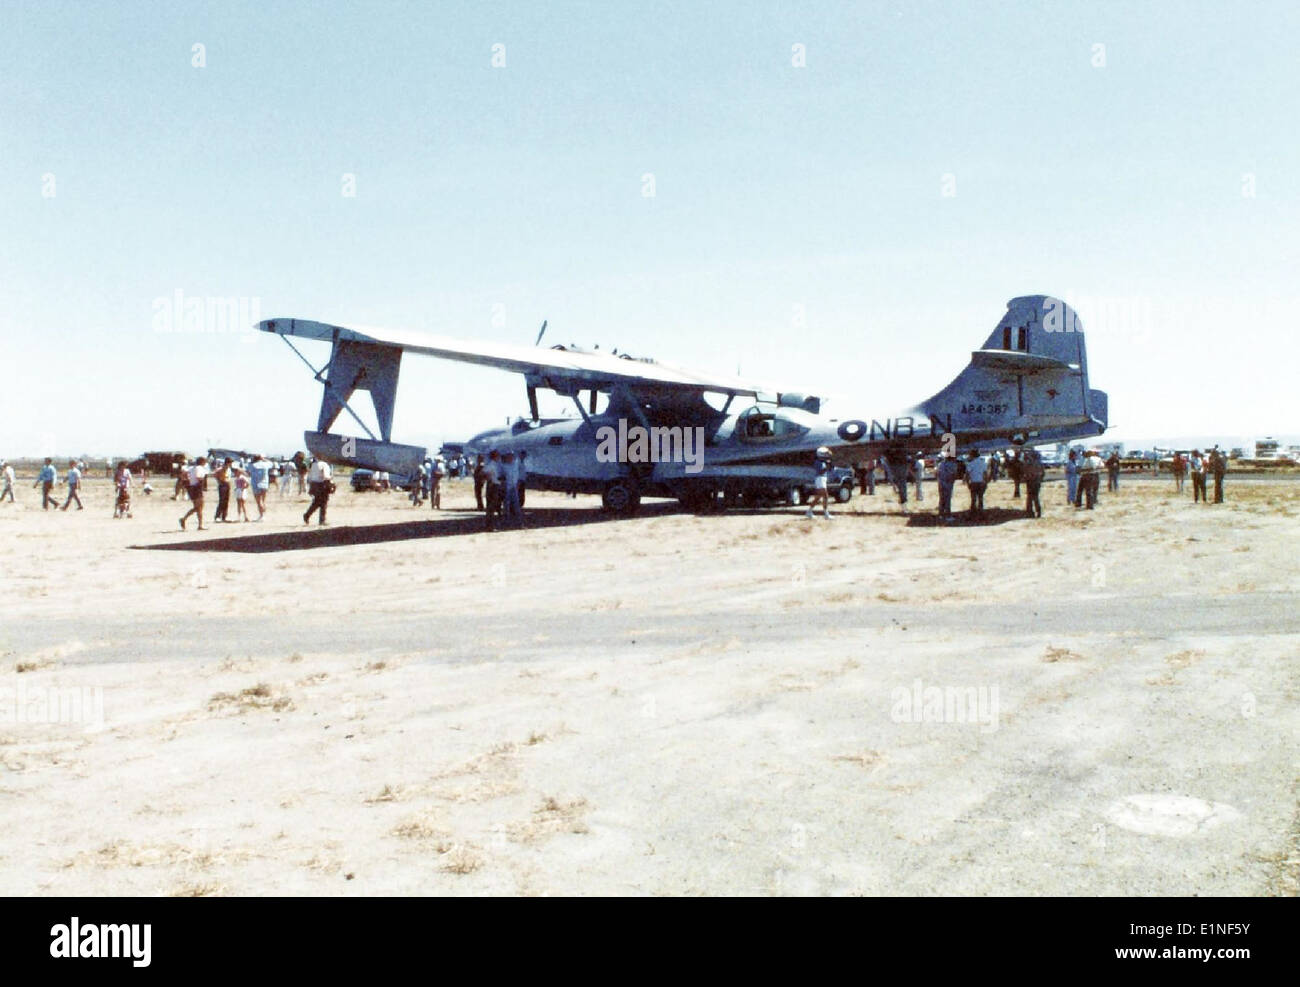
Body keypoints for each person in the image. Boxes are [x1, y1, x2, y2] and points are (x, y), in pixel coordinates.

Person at [179, 456, 209, 530]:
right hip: (197, 488)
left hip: (192, 488)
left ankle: (199, 524)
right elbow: (199, 477)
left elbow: (184, 474)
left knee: (198, 508)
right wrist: (203, 485)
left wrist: (187, 482)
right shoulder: (200, 468)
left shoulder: (191, 468)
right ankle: (185, 519)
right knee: (199, 507)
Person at [805, 446, 834, 520]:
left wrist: (829, 465)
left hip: (822, 479)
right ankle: (826, 514)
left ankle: (809, 511)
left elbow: (829, 469)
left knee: (818, 497)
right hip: (820, 479)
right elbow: (821, 471)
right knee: (825, 496)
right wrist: (827, 466)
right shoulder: (818, 462)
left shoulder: (823, 462)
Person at [935, 451, 962, 521]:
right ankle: (948, 515)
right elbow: (955, 474)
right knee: (947, 500)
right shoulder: (953, 465)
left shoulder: (940, 464)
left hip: (941, 483)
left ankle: (941, 514)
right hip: (948, 483)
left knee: (941, 499)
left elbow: (937, 473)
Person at [303, 458, 332, 524]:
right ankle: (322, 520)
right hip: (322, 484)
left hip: (314, 484)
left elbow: (310, 477)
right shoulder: (324, 464)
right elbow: (326, 476)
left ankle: (307, 515)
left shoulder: (313, 465)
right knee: (323, 503)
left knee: (316, 502)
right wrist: (331, 479)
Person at [500, 451, 523, 527]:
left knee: (516, 505)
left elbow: (518, 474)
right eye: (509, 456)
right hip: (507, 487)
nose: (510, 458)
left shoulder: (516, 465)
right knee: (506, 505)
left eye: (512, 456)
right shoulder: (504, 466)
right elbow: (502, 477)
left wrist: (518, 482)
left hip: (514, 487)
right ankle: (506, 521)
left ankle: (519, 522)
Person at [884, 446, 909, 511]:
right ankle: (904, 506)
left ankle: (903, 505)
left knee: (901, 490)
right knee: (902, 490)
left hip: (898, 475)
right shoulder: (902, 460)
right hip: (900, 475)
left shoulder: (893, 461)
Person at [483, 450, 504, 530]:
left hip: (496, 485)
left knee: (495, 506)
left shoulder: (496, 464)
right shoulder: (491, 465)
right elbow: (484, 472)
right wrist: (490, 480)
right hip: (493, 486)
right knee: (491, 507)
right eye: (498, 455)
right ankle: (489, 525)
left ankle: (491, 524)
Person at [1022, 446, 1045, 518]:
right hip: (1037, 481)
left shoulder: (1029, 464)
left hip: (1031, 481)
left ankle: (1030, 512)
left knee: (1030, 497)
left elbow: (1025, 472)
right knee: (1035, 497)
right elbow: (1043, 473)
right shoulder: (1039, 464)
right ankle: (1038, 512)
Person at [965, 449, 988, 517]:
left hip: (973, 483)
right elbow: (985, 473)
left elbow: (967, 474)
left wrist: (967, 482)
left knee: (973, 499)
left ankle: (973, 513)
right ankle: (981, 513)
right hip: (981, 482)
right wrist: (986, 482)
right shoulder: (983, 463)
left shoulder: (971, 463)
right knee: (980, 499)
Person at [248, 454, 271, 520]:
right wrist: (264, 459)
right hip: (265, 484)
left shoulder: (253, 465)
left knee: (259, 501)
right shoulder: (266, 465)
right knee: (263, 501)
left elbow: (248, 469)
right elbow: (271, 463)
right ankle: (263, 514)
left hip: (256, 484)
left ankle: (262, 515)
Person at [213, 458, 232, 522]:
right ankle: (217, 516)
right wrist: (219, 481)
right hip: (222, 484)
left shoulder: (229, 469)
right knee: (222, 501)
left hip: (228, 484)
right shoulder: (221, 469)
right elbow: (215, 474)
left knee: (226, 501)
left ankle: (225, 516)